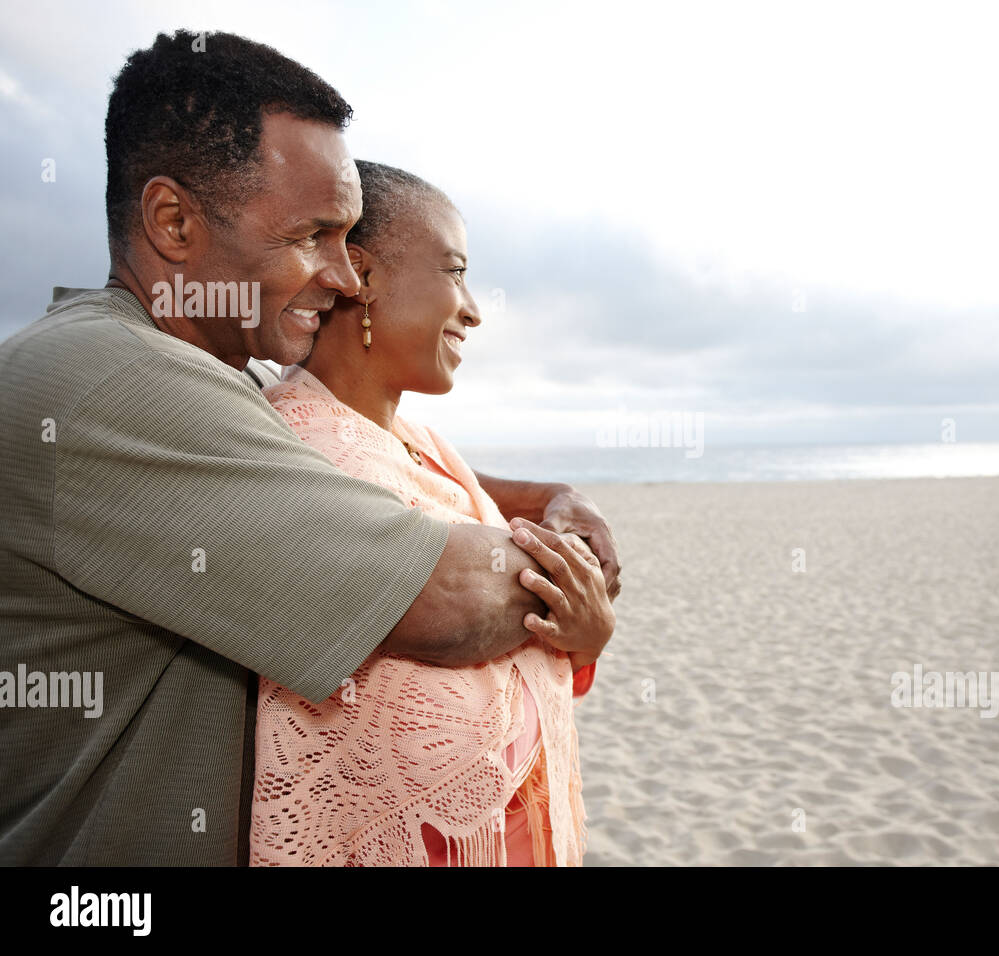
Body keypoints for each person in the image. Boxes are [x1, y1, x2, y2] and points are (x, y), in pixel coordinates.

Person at [0, 30, 619, 865]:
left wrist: (544, 498)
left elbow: (375, 454)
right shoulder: (112, 384)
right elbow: (448, 602)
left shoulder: (217, 381)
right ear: (174, 222)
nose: (343, 275)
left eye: (350, 238)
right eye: (312, 236)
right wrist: (573, 573)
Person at [252, 162, 614, 866]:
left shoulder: (420, 445)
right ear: (361, 276)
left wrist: (584, 631)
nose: (474, 309)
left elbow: (531, 642)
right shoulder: (298, 455)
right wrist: (582, 621)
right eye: (454, 272)